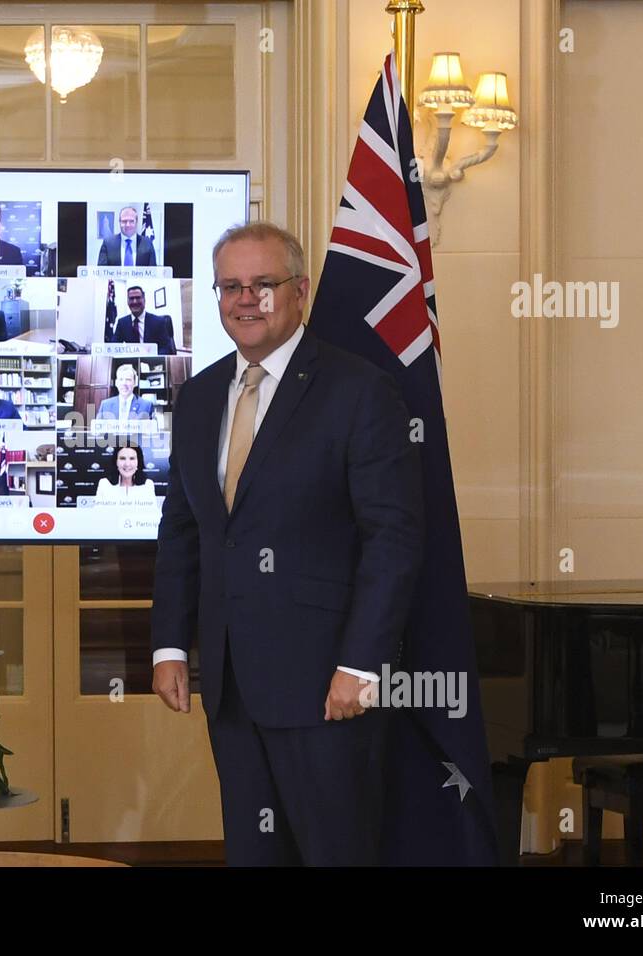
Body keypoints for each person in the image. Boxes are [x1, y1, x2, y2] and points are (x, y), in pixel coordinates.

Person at [149, 222, 424, 866]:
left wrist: (360, 666)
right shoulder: (198, 397)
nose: (246, 300)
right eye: (231, 287)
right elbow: (184, 529)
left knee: (335, 854)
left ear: (299, 291)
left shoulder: (358, 391)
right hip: (231, 683)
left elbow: (394, 538)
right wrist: (169, 645)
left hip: (327, 685)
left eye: (263, 285)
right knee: (254, 854)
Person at [113, 286, 177, 354]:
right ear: (128, 301)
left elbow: (166, 348)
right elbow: (113, 346)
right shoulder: (122, 323)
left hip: (153, 361)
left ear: (144, 300)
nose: (134, 301)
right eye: (131, 298)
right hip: (131, 362)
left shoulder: (159, 322)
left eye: (138, 298)